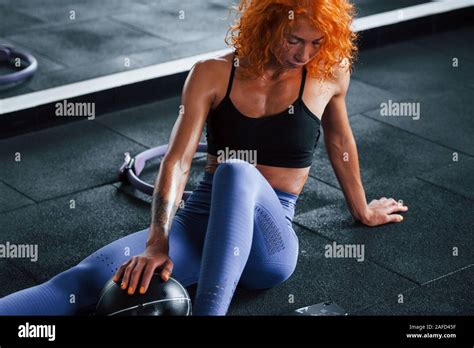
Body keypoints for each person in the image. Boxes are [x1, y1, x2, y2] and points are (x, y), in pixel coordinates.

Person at [0, 0, 408, 316]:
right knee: (86, 279)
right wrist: (157, 243)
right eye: (294, 40)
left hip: (269, 241)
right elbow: (177, 161)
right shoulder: (211, 73)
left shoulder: (328, 73)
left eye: (317, 42)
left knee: (236, 170)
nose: (305, 54)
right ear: (268, 26)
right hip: (199, 224)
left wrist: (363, 210)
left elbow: (340, 140)